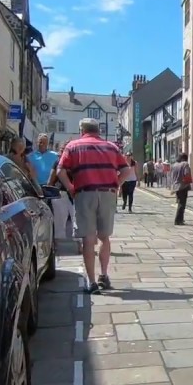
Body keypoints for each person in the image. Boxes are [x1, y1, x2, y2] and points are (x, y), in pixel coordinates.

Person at [56, 118, 125, 293]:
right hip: (108, 193)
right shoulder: (112, 147)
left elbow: (60, 170)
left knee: (88, 239)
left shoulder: (73, 146)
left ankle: (92, 282)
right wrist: (116, 184)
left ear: (81, 130)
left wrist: (71, 188)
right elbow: (126, 170)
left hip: (84, 193)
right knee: (104, 236)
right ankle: (104, 275)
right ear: (98, 130)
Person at [170, 153, 193, 225]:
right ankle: (178, 220)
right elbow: (187, 174)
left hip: (176, 186)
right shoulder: (185, 164)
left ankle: (181, 219)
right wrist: (188, 182)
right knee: (182, 204)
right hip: (183, 186)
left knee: (180, 202)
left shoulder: (174, 165)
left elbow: (172, 176)